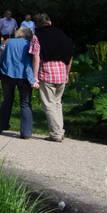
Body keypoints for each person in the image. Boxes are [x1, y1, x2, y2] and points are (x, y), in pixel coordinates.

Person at [32, 14, 73, 142]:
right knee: (57, 103)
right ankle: (60, 131)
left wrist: (34, 77)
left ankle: (56, 134)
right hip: (61, 72)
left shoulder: (37, 36)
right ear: (50, 22)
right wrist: (67, 73)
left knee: (48, 104)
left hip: (47, 72)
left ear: (36, 24)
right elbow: (70, 55)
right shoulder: (61, 34)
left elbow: (36, 57)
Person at [0, 25, 39, 138]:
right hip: (23, 77)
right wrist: (32, 79)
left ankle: (1, 126)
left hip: (7, 74)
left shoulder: (9, 42)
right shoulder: (28, 45)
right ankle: (26, 132)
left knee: (7, 100)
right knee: (25, 103)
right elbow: (28, 63)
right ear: (29, 35)